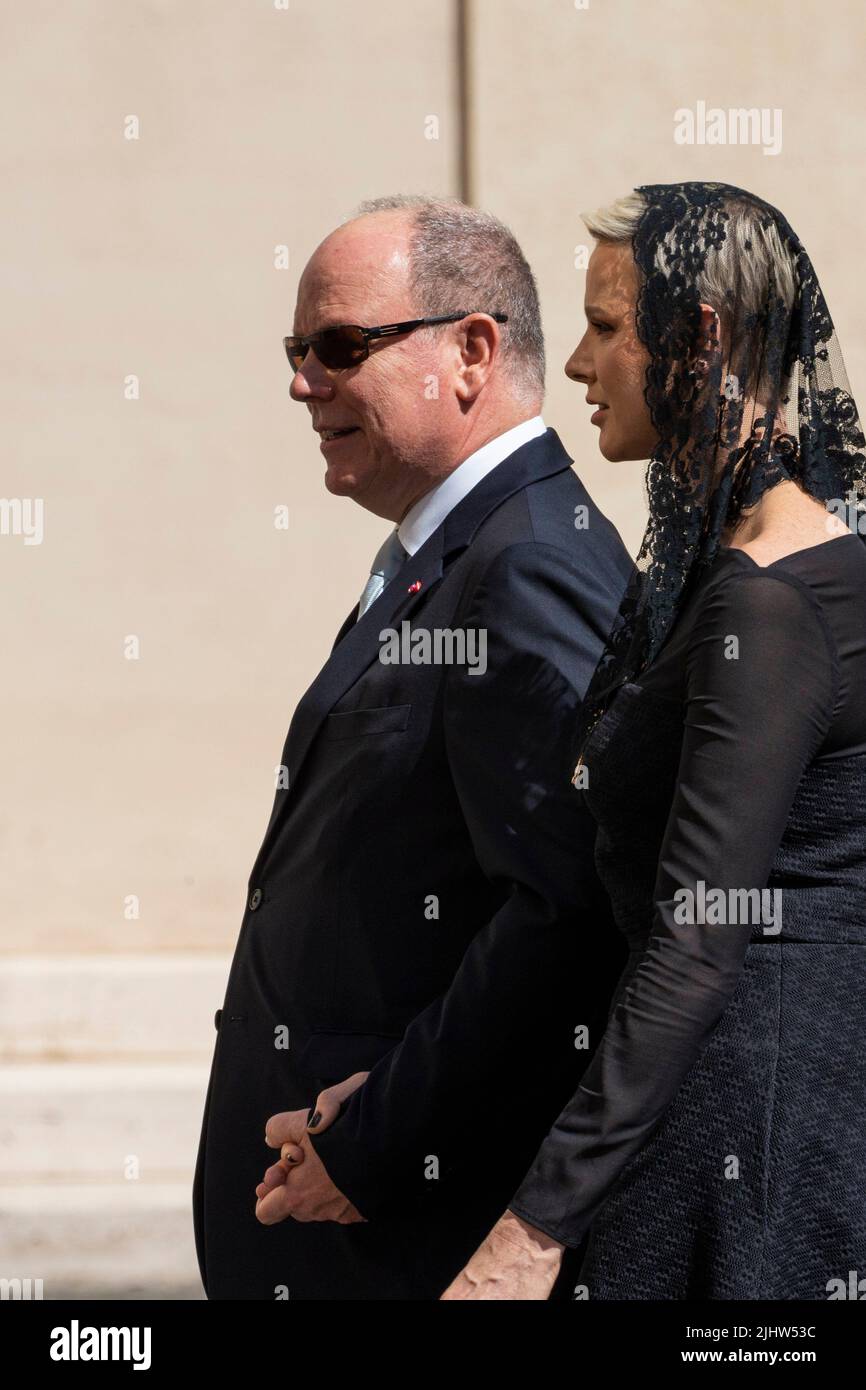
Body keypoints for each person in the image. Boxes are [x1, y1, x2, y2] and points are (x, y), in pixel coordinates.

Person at [192, 194, 634, 1299]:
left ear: (471, 351)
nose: (303, 382)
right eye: (297, 351)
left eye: (340, 347)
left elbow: (568, 913)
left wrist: (376, 1137)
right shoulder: (454, 551)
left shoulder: (525, 565)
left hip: (405, 1234)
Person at [442, 182, 866, 1300]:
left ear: (703, 337)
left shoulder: (771, 603)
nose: (578, 365)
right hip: (739, 1114)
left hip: (749, 1157)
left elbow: (693, 938)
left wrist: (528, 1232)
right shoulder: (744, 566)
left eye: (605, 325)